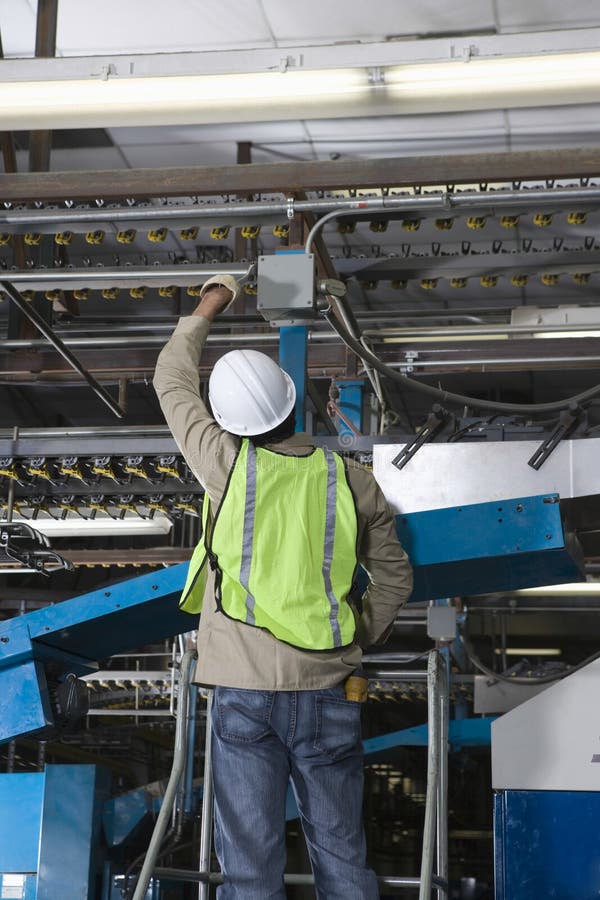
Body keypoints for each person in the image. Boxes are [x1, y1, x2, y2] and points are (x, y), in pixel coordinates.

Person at [153, 273, 413, 900]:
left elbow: (170, 376)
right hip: (329, 685)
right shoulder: (350, 478)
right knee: (343, 855)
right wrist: (360, 634)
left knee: (249, 864)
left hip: (243, 692)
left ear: (228, 422)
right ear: (293, 404)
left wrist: (214, 300)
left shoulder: (222, 464)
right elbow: (395, 576)